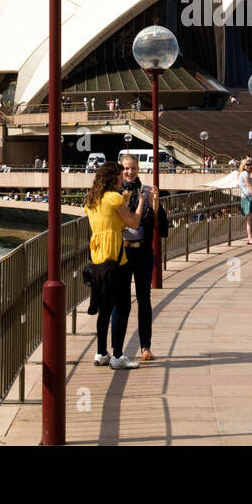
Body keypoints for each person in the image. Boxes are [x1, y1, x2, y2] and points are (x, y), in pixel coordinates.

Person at [85, 161, 147, 369]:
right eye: (120, 177)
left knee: (105, 307)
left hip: (98, 256)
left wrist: (124, 200)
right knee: (123, 305)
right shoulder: (114, 197)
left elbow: (112, 222)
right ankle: (118, 356)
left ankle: (101, 352)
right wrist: (140, 202)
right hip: (116, 257)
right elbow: (133, 223)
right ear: (113, 178)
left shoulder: (92, 199)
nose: (122, 180)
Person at [112, 153, 159, 361]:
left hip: (142, 251)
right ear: (120, 170)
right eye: (125, 168)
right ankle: (117, 350)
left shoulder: (146, 191)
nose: (129, 172)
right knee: (120, 301)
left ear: (138, 169)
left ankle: (145, 347)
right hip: (122, 250)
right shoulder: (114, 193)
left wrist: (155, 202)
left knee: (144, 299)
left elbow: (154, 221)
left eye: (132, 168)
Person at [238, 157, 252, 244]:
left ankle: (250, 237)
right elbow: (249, 185)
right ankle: (250, 238)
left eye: (250, 164)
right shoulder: (245, 174)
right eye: (247, 164)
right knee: (249, 219)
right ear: (243, 165)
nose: (249, 166)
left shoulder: (242, 174)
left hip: (245, 197)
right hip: (248, 197)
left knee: (250, 218)